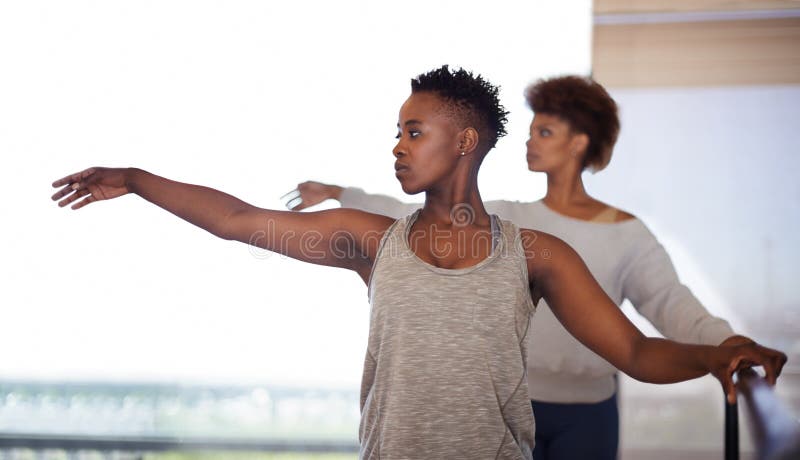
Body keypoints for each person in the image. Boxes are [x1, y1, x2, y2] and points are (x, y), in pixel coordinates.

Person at [52, 66, 786, 460]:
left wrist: (717, 355)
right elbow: (242, 221)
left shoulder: (536, 254)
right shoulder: (371, 240)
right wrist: (140, 179)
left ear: (464, 142)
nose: (397, 145)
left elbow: (632, 348)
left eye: (412, 130)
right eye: (396, 131)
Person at [285, 75, 759, 459]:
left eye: (545, 132)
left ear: (579, 144)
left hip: (589, 414)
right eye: (531, 130)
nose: (530, 141)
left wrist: (725, 344)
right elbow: (419, 216)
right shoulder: (510, 221)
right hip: (516, 405)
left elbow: (671, 304)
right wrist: (343, 195)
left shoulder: (627, 234)